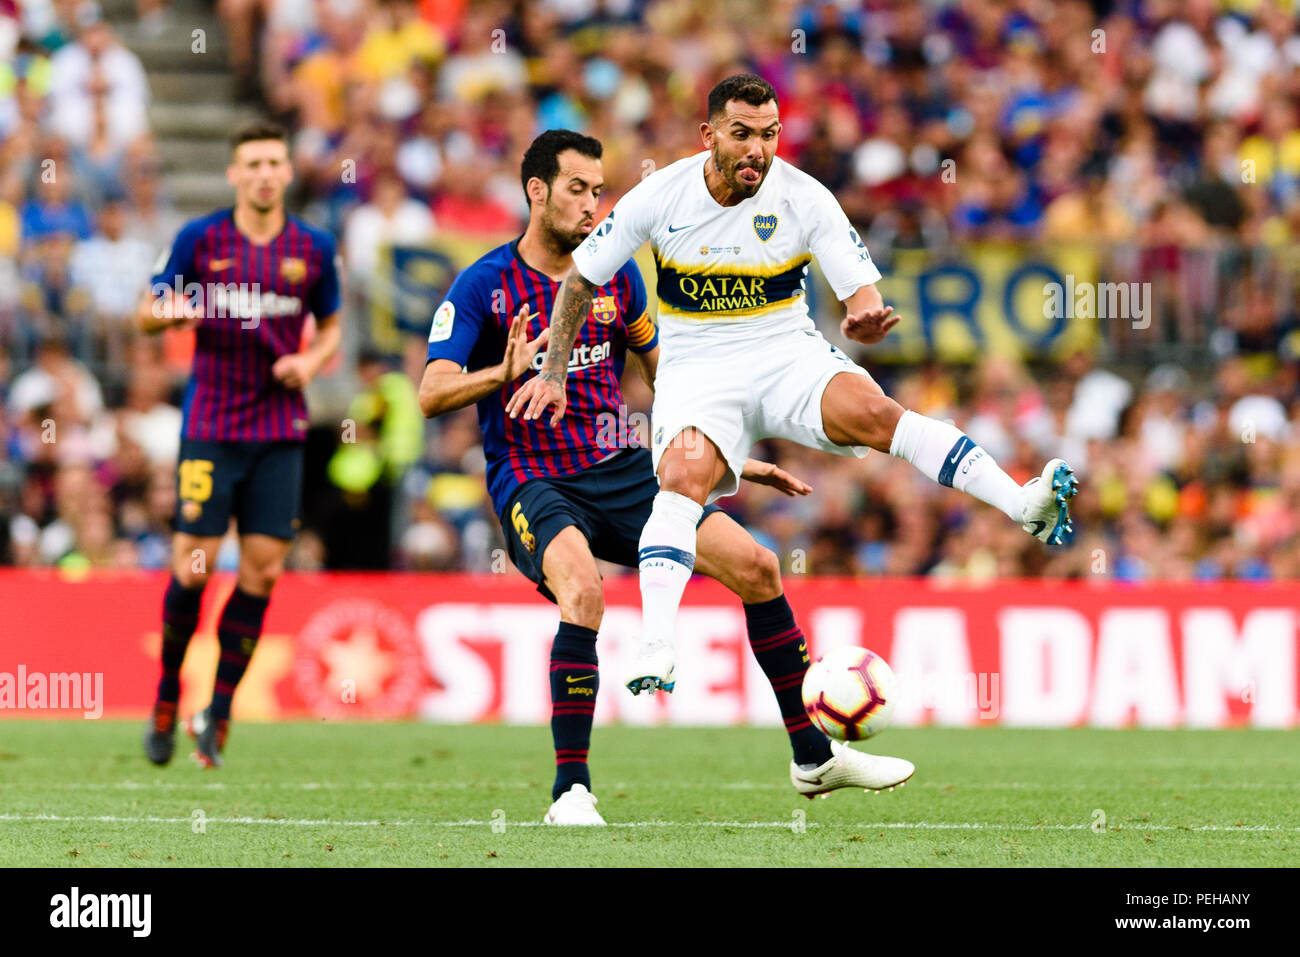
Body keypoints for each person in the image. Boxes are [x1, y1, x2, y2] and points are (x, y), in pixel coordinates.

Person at [508, 75, 1079, 755]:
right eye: (743, 134)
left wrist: (864, 315)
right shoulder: (661, 195)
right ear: (710, 135)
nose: (758, 149)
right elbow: (582, 278)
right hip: (699, 368)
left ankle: (1021, 503)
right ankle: (657, 642)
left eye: (770, 134)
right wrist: (551, 370)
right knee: (682, 476)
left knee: (878, 412)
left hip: (785, 353)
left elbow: (859, 290)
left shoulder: (805, 197)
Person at [418, 129, 914, 825]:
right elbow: (431, 392)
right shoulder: (483, 284)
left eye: (599, 191)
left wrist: (730, 454)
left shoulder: (618, 275)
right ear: (537, 190)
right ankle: (571, 791)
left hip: (625, 467)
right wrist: (499, 373)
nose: (594, 205)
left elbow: (671, 379)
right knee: (583, 589)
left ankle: (813, 756)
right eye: (577, 190)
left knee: (760, 566)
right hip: (534, 477)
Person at [136, 120, 342, 768]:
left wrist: (309, 363)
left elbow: (333, 324)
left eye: (272, 162)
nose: (261, 173)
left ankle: (218, 711)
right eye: (250, 162)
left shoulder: (312, 246)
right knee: (192, 565)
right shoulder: (201, 239)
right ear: (233, 173)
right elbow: (146, 310)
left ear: (286, 172)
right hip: (211, 428)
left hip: (279, 432)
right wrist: (164, 312)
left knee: (261, 571)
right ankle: (168, 690)